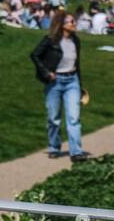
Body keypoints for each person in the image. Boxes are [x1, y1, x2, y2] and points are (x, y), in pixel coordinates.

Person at [30, 10, 89, 162]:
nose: (74, 24)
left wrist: (80, 86)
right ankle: (54, 147)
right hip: (55, 82)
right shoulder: (50, 40)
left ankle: (76, 152)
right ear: (62, 25)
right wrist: (46, 73)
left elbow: (78, 64)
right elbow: (35, 55)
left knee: (73, 117)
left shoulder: (76, 41)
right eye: (71, 22)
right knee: (54, 118)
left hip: (72, 80)